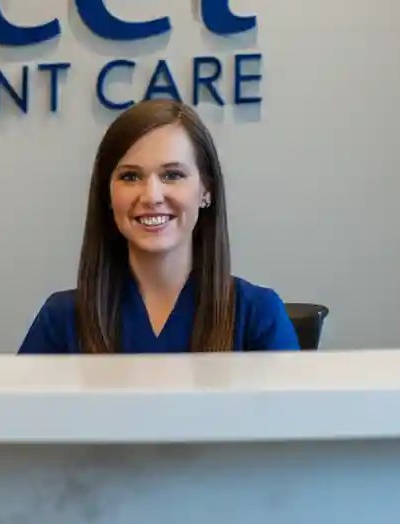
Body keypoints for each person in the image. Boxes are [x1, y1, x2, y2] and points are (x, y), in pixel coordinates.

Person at [18, 99, 301, 354]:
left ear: (206, 190)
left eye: (172, 175)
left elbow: (292, 413)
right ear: (107, 194)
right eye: (130, 177)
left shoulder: (258, 315)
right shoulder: (61, 320)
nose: (151, 196)